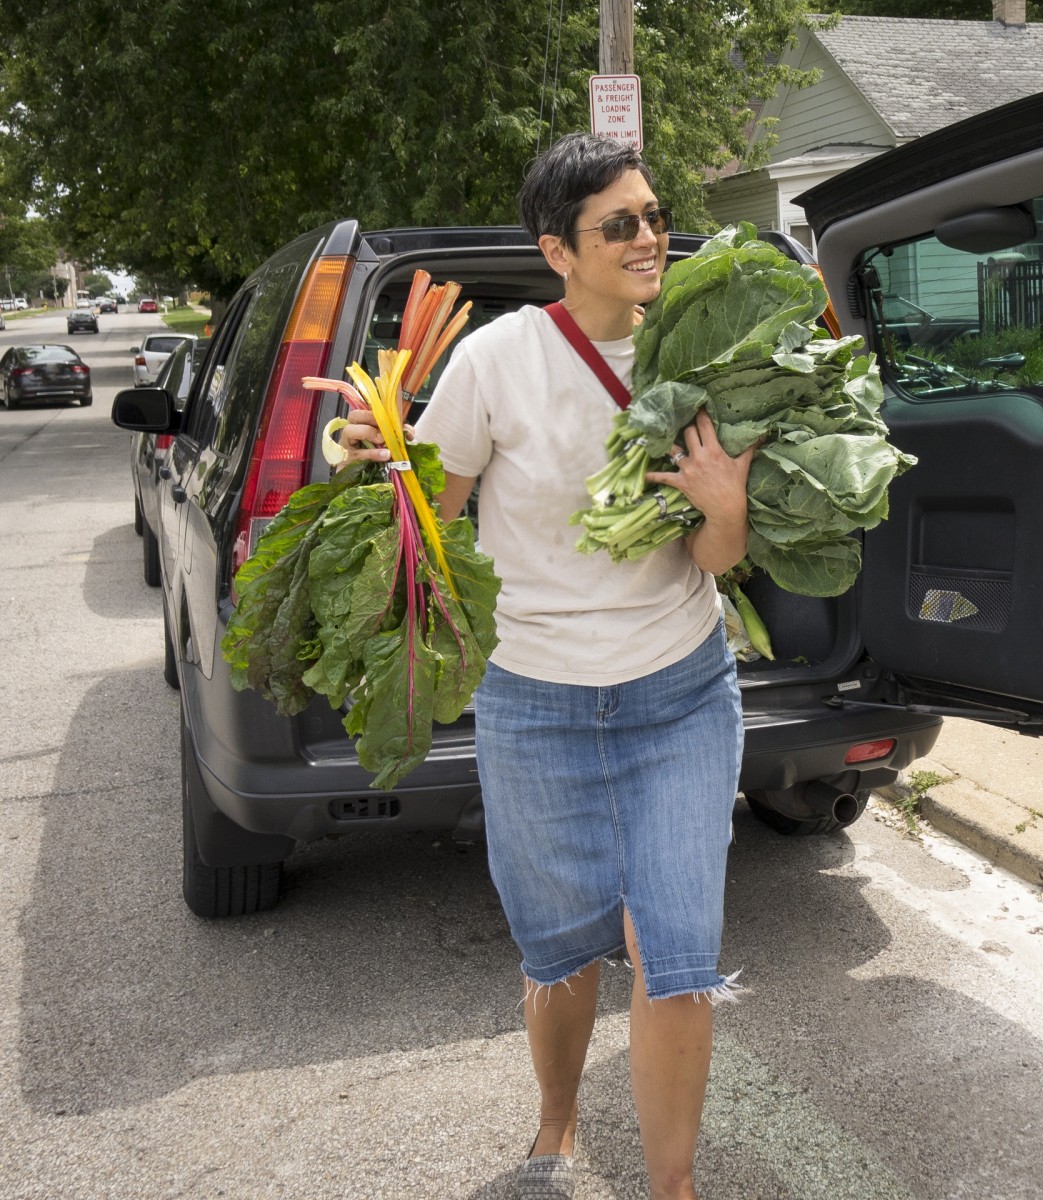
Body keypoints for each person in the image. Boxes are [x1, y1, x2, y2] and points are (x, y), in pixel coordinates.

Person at [336, 134, 755, 1200]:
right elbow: (433, 515)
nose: (651, 237)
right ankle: (557, 1123)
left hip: (679, 693)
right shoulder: (498, 360)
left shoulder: (694, 358)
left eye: (656, 215)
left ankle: (672, 1190)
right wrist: (376, 468)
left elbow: (714, 556)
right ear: (556, 249)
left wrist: (728, 510)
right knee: (562, 950)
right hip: (535, 702)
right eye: (621, 224)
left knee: (677, 951)